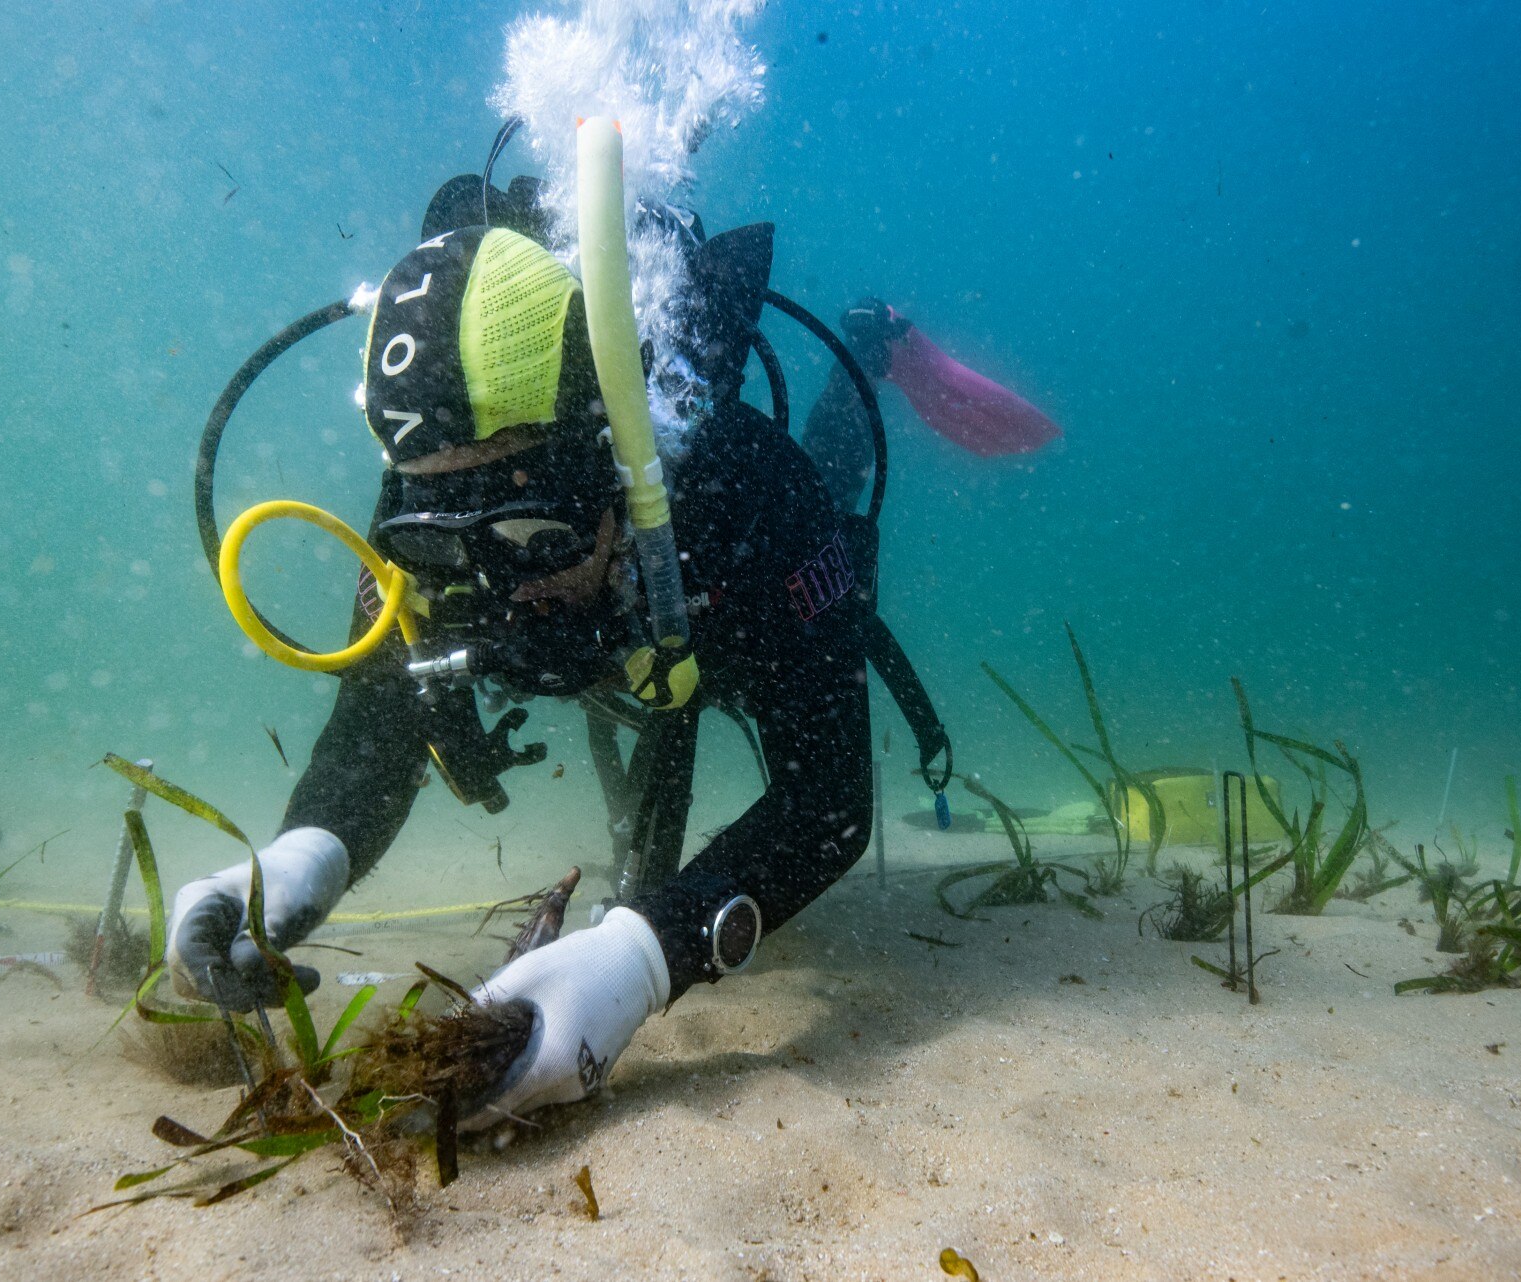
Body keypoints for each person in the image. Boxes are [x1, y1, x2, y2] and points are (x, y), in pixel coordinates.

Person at [169, 187, 946, 1131]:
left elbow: (825, 807)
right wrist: (300, 859)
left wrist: (642, 956)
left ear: (618, 476)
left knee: (834, 463)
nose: (493, 590)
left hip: (726, 612)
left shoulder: (755, 496)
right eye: (442, 546)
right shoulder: (423, 505)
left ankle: (868, 346)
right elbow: (380, 722)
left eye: (530, 536)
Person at [804, 298, 1063, 513]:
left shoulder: (854, 392)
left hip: (886, 360)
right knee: (944, 402)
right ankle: (1032, 435)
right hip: (881, 365)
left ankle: (1034, 435)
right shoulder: (851, 399)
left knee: (945, 399)